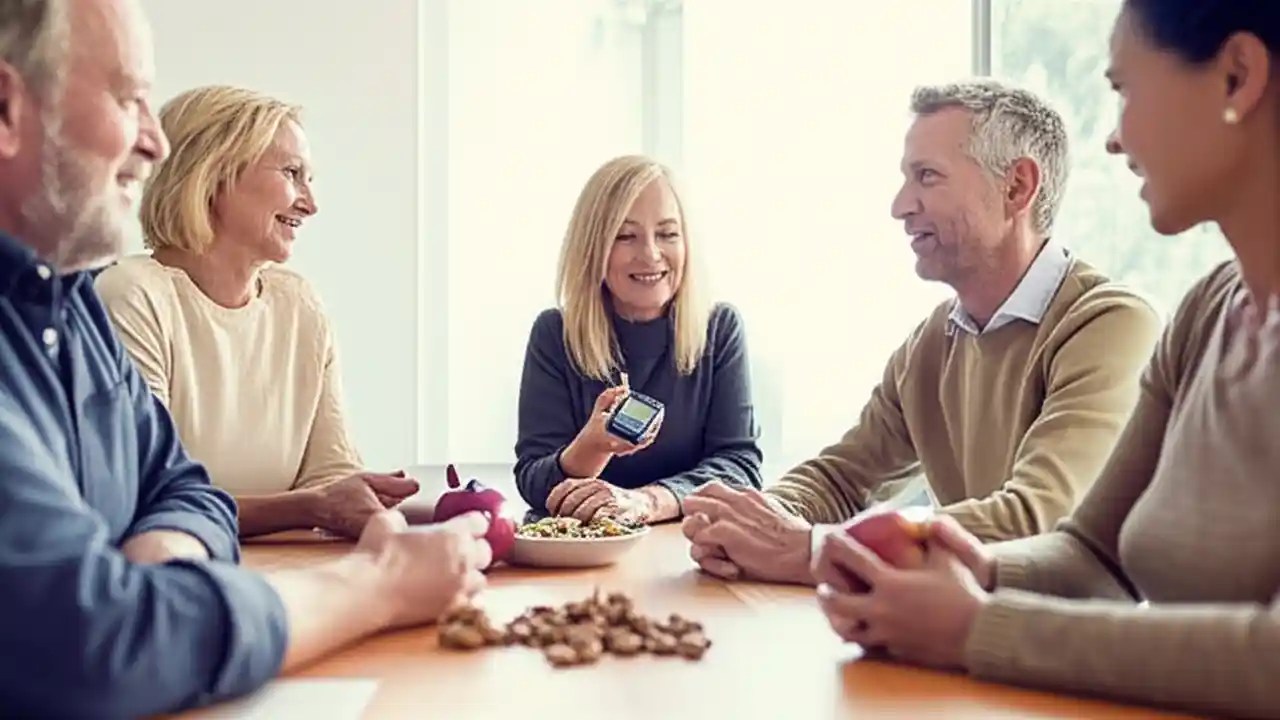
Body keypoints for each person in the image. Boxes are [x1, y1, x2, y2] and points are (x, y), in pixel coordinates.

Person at [0, 1, 490, 717]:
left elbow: (183, 489)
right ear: (7, 108)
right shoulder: (123, 290)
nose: (154, 142)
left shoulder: (66, 303)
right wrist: (375, 586)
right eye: (128, 97)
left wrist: (163, 588)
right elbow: (94, 641)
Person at [810, 2, 1280, 718]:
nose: (1115, 139)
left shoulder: (1113, 319)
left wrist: (975, 626)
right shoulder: (1206, 313)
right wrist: (965, 566)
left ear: (1237, 78)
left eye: (1125, 90)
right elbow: (1093, 557)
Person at [681, 80, 1164, 585]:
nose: (900, 205)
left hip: (1064, 653)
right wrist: (749, 522)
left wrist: (815, 548)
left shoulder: (1112, 325)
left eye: (927, 177)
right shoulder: (932, 342)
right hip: (952, 641)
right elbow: (842, 477)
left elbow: (1037, 520)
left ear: (1017, 187)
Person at [94, 85, 415, 540]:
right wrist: (312, 508)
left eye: (309, 178)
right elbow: (146, 494)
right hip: (175, 576)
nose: (310, 202)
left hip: (287, 568)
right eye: (292, 172)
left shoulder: (298, 302)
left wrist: (363, 507)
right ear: (213, 173)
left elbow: (331, 472)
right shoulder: (132, 294)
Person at [515, 155, 764, 524]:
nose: (650, 254)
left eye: (667, 234)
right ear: (593, 248)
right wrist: (593, 447)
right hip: (583, 551)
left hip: (688, 546)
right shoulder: (555, 334)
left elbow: (739, 467)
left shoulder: (719, 329)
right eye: (625, 236)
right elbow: (533, 482)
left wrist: (646, 502)